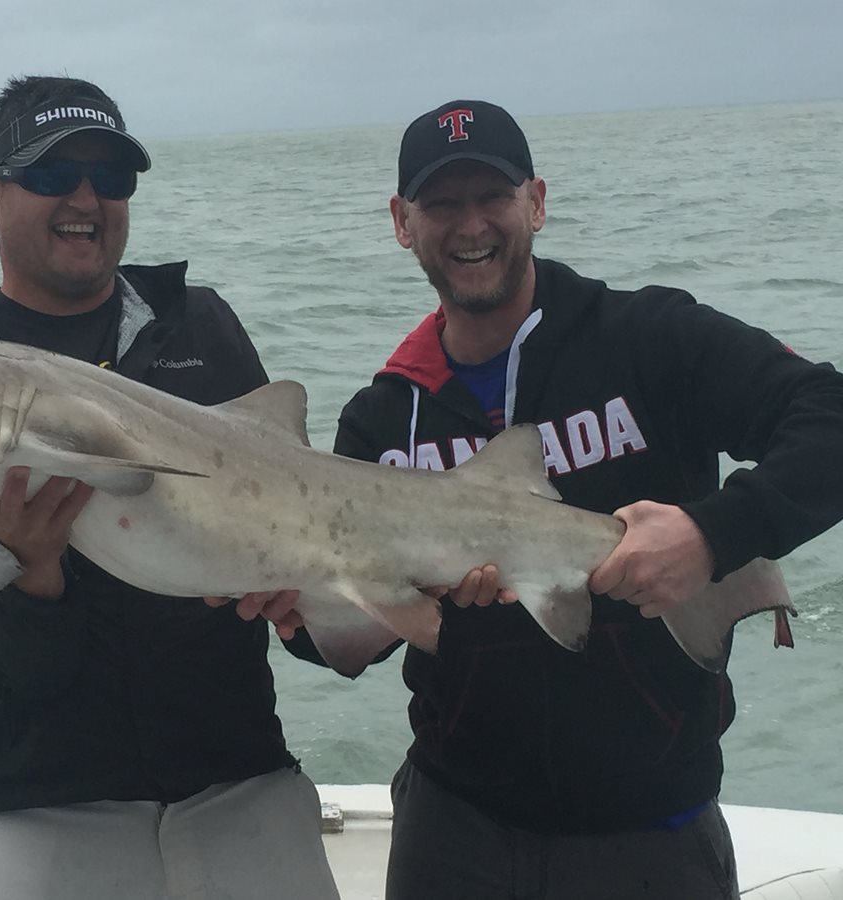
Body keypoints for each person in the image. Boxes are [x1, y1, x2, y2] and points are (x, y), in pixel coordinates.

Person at [245, 99, 843, 899]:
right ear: (401, 221)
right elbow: (353, 637)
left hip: (649, 831)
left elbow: (827, 416)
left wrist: (711, 534)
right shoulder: (384, 418)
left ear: (536, 201)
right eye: (442, 203)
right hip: (454, 830)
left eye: (491, 196)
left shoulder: (649, 339)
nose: (470, 225)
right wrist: (296, 612)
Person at [0, 75, 340, 900]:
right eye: (51, 175)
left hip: (232, 771)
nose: (86, 197)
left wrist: (310, 597)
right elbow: (8, 671)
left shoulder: (200, 324)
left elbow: (295, 541)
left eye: (111, 178)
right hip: (37, 799)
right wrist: (33, 579)